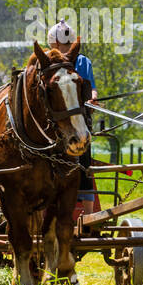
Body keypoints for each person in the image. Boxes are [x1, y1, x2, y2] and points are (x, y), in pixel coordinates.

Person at [48, 21, 98, 200]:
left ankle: (88, 215)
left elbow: (91, 86)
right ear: (53, 44)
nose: (67, 48)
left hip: (79, 120)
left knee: (84, 163)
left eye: (69, 45)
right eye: (63, 45)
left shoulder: (83, 61)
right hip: (55, 123)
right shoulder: (47, 61)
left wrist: (93, 97)